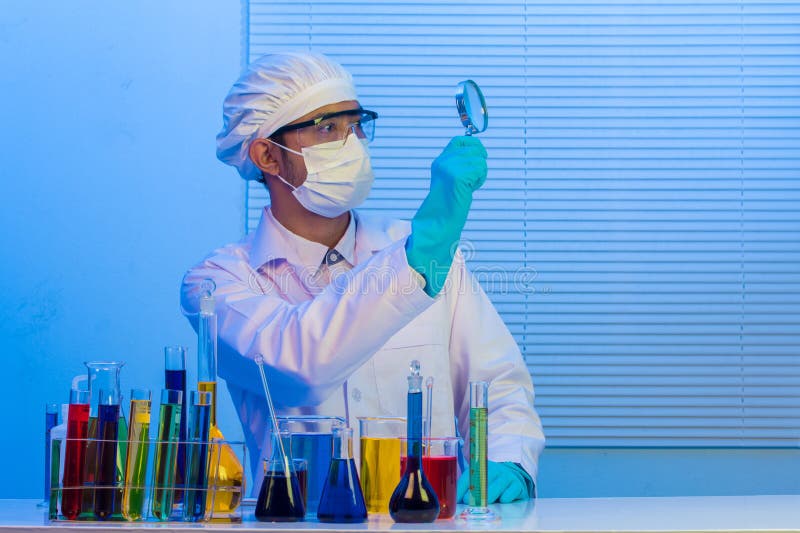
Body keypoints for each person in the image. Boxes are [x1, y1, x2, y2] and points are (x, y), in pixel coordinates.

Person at [181, 51, 544, 503]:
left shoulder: (418, 247)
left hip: (428, 522)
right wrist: (416, 260)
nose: (352, 143)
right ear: (268, 155)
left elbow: (497, 382)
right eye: (328, 128)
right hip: (299, 524)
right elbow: (298, 367)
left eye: (356, 125)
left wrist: (506, 459)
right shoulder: (218, 283)